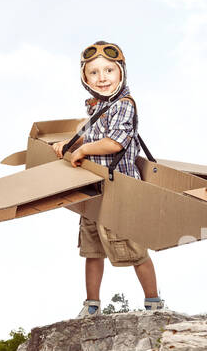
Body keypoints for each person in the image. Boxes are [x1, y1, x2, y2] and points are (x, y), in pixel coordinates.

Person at [49, 41, 166, 317]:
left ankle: (154, 302)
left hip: (120, 190)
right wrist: (70, 143)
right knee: (92, 249)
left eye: (109, 70)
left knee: (135, 247)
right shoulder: (97, 106)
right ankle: (91, 305)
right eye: (94, 73)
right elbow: (89, 135)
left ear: (121, 72)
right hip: (93, 189)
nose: (102, 78)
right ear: (85, 79)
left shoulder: (124, 105)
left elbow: (114, 142)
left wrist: (84, 149)